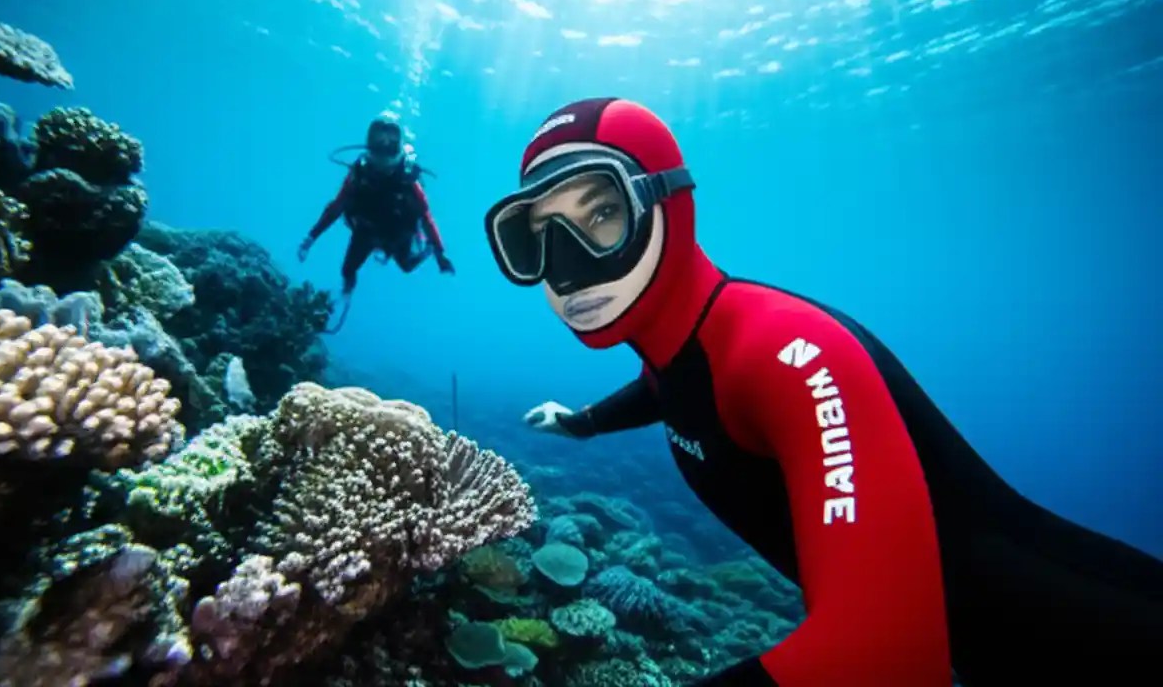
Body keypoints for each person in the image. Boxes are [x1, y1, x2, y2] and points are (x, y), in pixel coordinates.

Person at [485, 97, 1163, 686]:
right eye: (538, 235)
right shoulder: (688, 351)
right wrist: (581, 422)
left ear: (671, 202)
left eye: (603, 212)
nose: (566, 268)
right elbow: (668, 389)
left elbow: (886, 657)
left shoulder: (789, 352)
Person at [298, 114, 455, 297]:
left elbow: (426, 217)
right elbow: (337, 206)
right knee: (347, 270)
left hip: (399, 232)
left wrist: (439, 253)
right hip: (367, 229)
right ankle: (346, 293)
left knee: (407, 266)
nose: (385, 147)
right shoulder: (359, 173)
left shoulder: (408, 179)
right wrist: (311, 237)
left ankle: (426, 249)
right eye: (379, 140)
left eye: (391, 141)